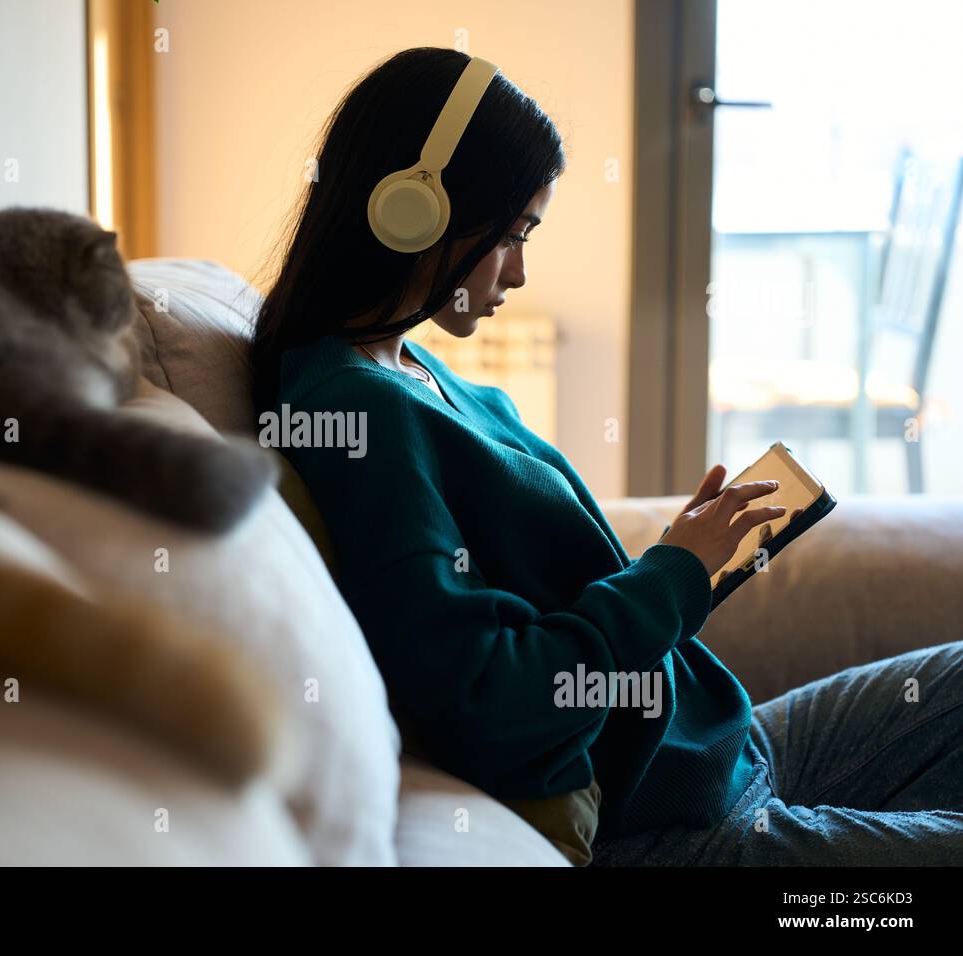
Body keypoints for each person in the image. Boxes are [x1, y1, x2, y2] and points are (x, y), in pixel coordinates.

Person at [249, 46, 963, 865]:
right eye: (512, 235)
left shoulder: (408, 368)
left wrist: (682, 559)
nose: (517, 272)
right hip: (672, 825)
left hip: (722, 750)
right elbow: (489, 697)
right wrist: (672, 578)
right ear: (415, 210)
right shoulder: (354, 410)